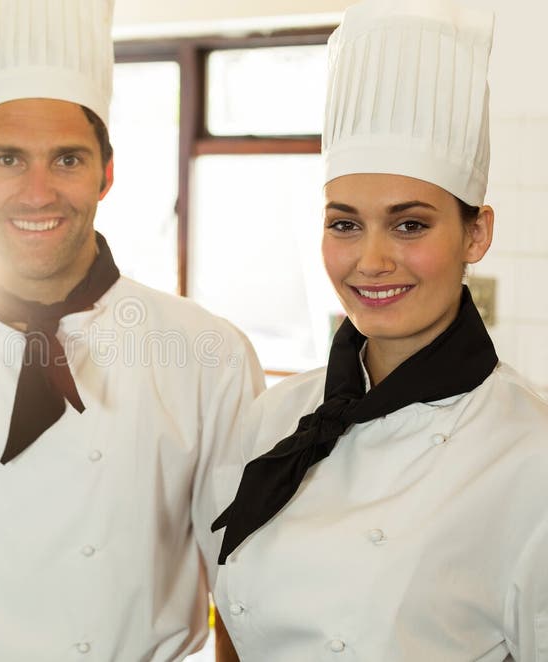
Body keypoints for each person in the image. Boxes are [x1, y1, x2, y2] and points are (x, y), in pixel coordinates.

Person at [0, 0, 264, 659]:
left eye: (66, 160)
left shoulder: (209, 355)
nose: (38, 193)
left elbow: (240, 580)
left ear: (106, 173)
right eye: (9, 159)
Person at [210, 0, 548, 659]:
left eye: (410, 224)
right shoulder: (277, 416)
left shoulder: (528, 453)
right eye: (344, 223)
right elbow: (233, 619)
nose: (371, 260)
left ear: (475, 233)